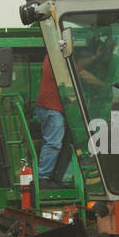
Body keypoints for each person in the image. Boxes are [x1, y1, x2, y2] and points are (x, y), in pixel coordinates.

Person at [36, 55, 67, 189]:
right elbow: (82, 74)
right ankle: (43, 177)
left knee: (49, 141)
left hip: (46, 106)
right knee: (53, 143)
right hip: (52, 107)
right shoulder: (58, 59)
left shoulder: (50, 56)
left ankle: (46, 175)